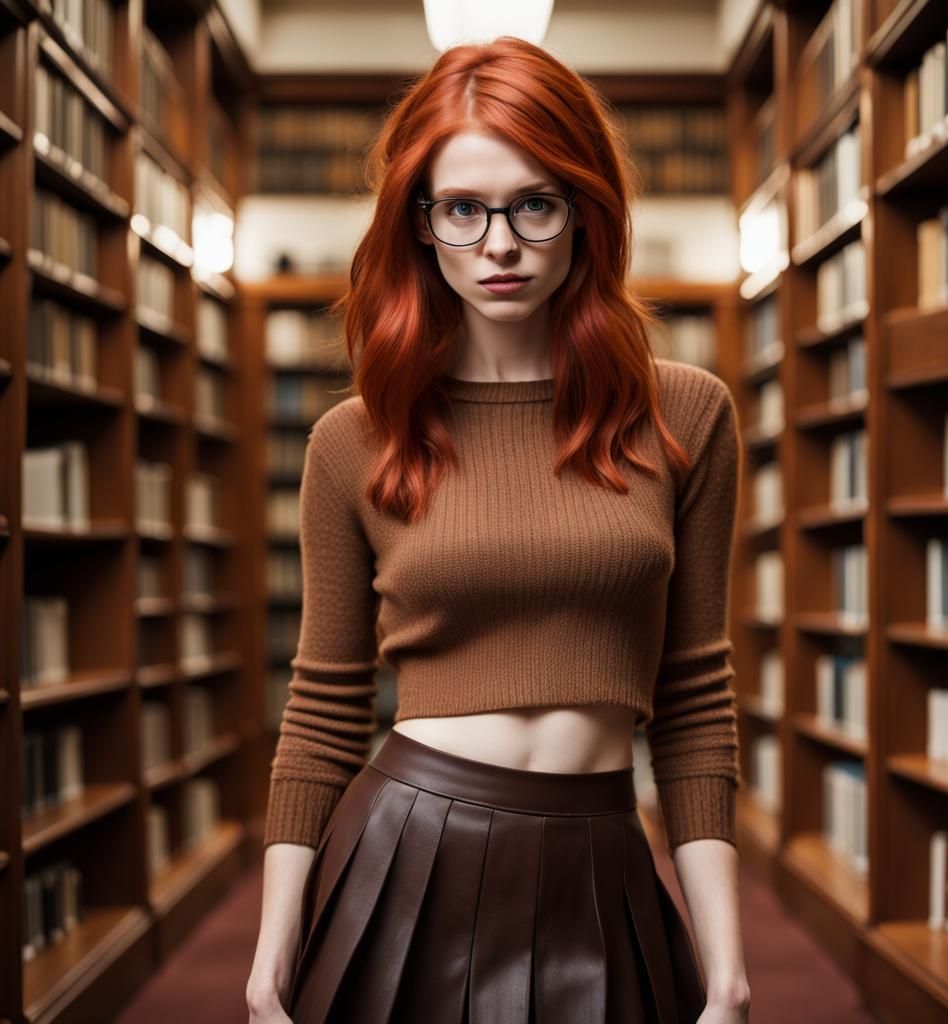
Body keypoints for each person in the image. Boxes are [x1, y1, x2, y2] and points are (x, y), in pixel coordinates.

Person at [246, 35, 751, 1024]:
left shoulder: (687, 416)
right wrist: (269, 964)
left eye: (533, 202)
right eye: (462, 209)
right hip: (404, 857)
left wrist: (726, 968)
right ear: (420, 226)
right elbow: (320, 710)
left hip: (602, 856)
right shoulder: (353, 440)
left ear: (585, 212)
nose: (500, 244)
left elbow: (693, 695)